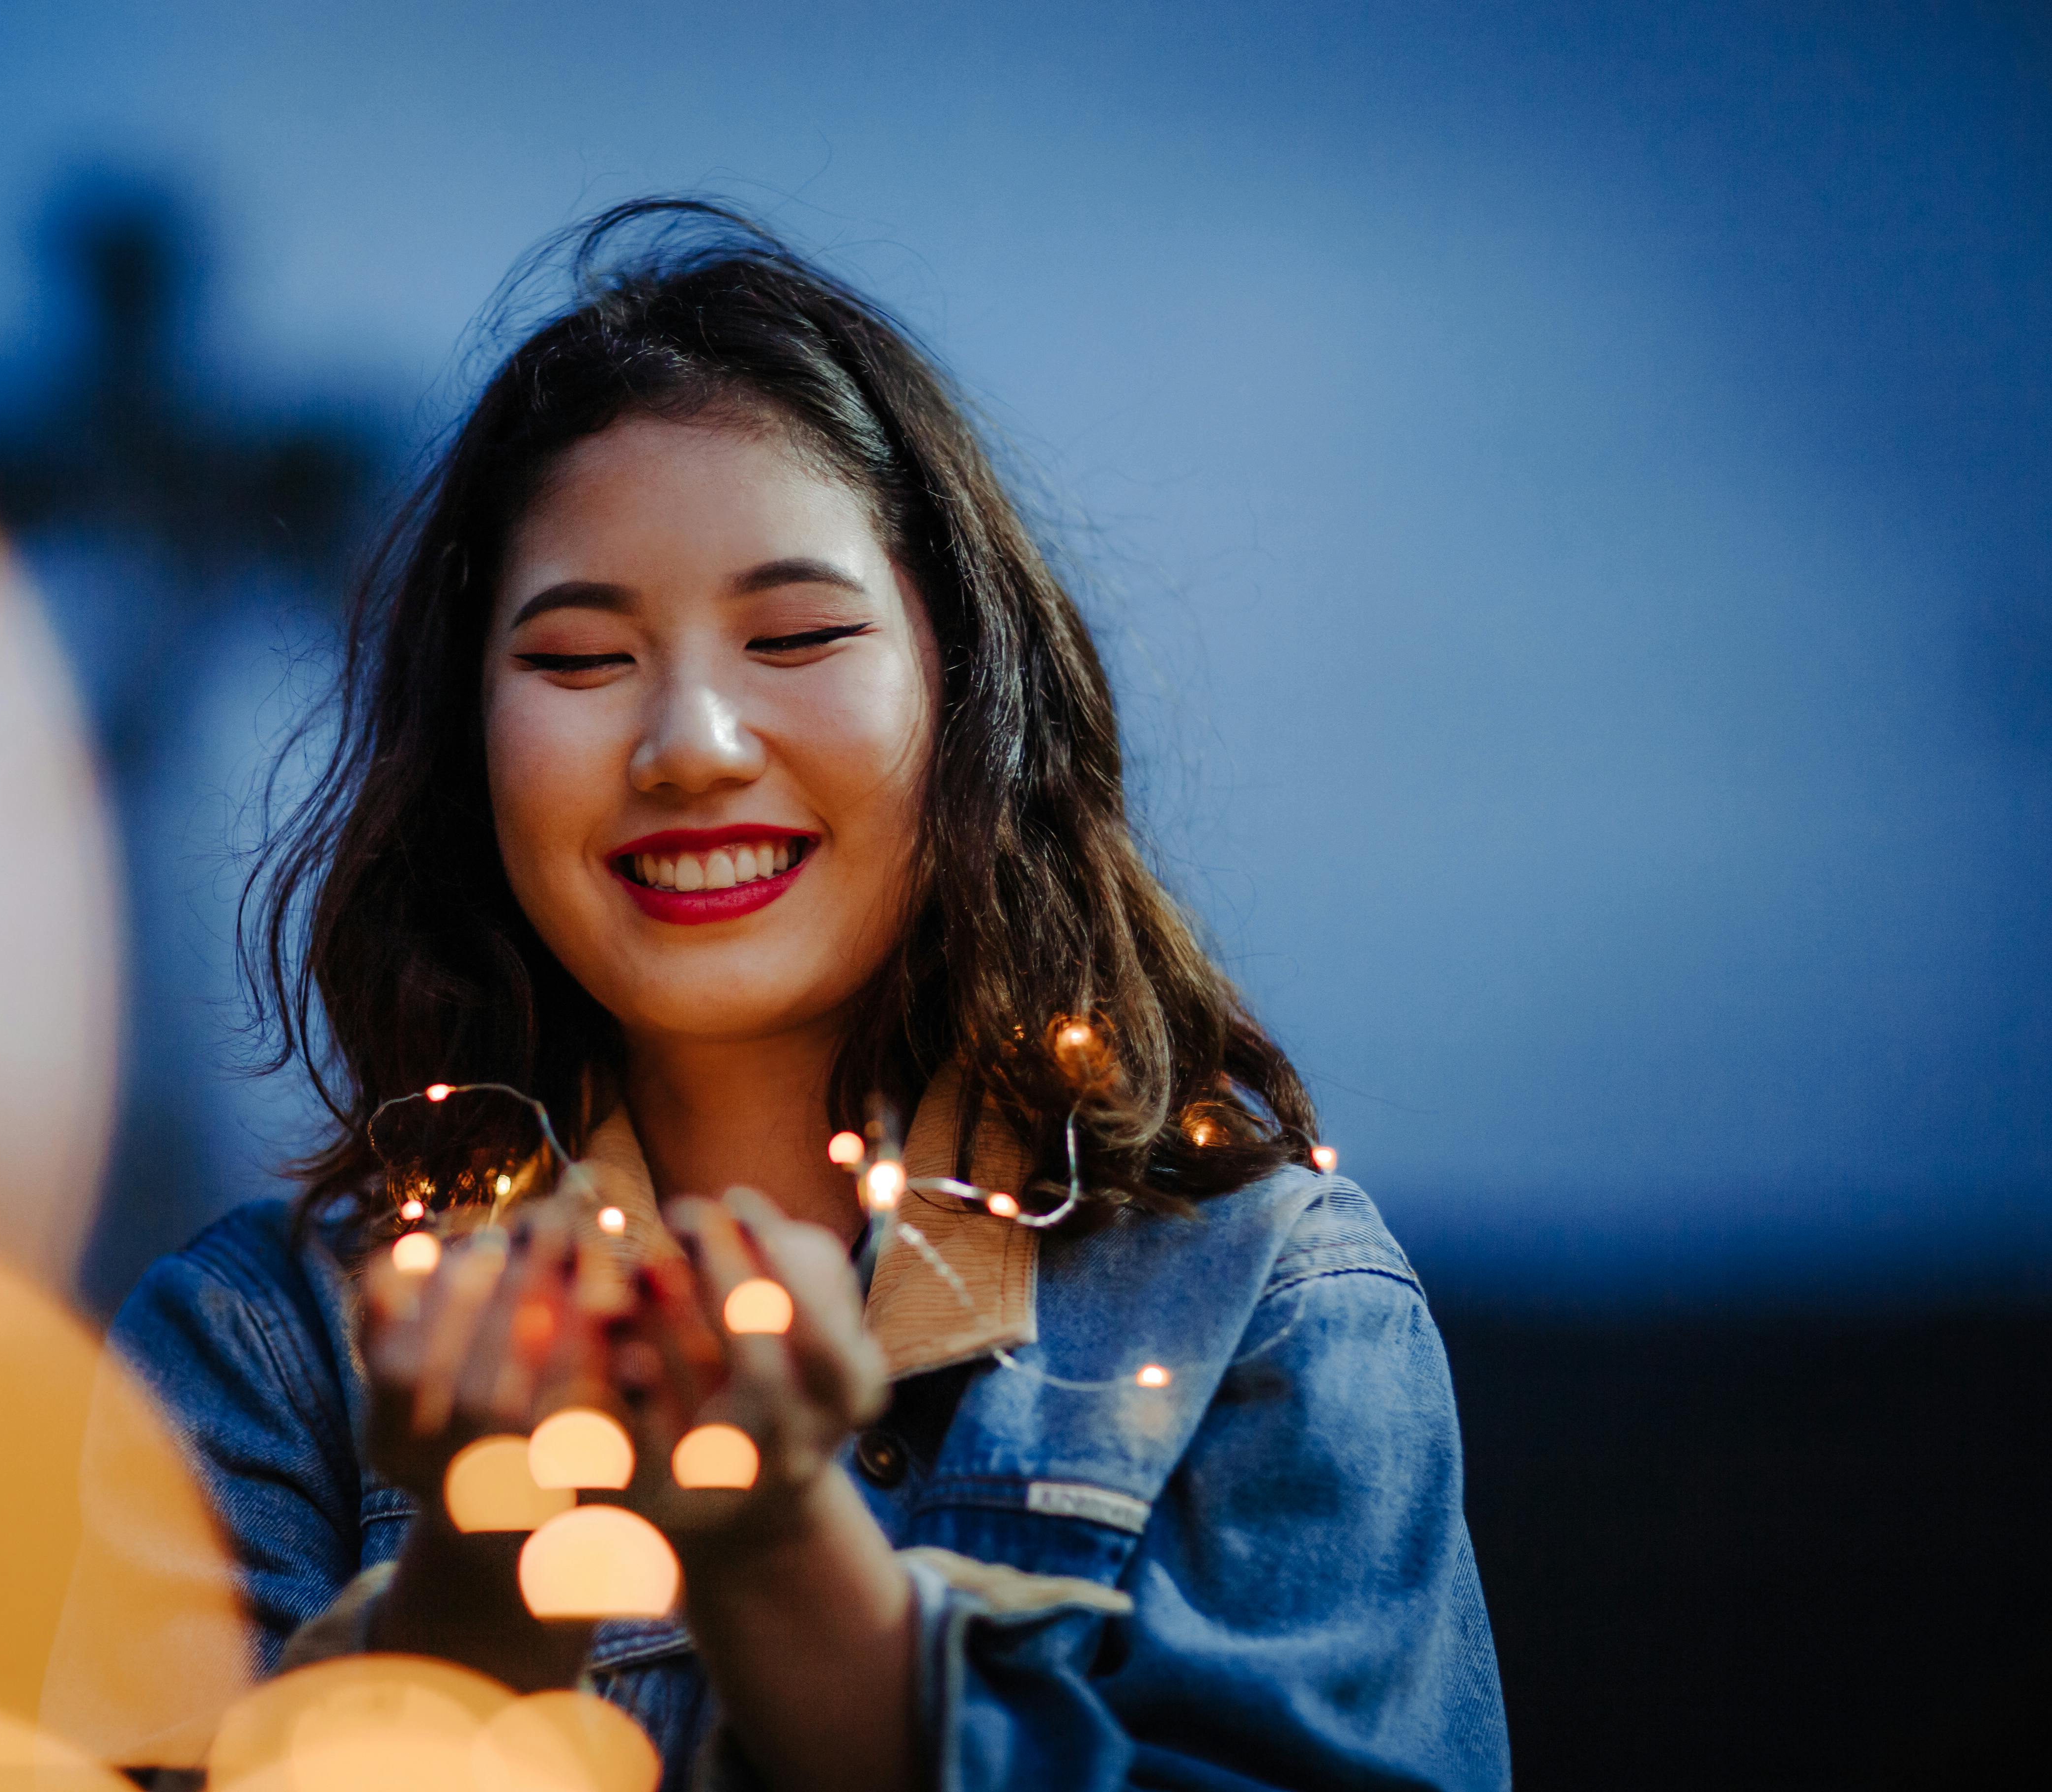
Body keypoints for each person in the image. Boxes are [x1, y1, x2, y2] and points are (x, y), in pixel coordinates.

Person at [101, 200, 1507, 1791]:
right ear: (464, 742)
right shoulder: (266, 1345)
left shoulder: (1258, 1299)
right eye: (577, 660)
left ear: (968, 690)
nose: (690, 742)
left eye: (799, 635)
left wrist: (777, 1541)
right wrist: (492, 1539)